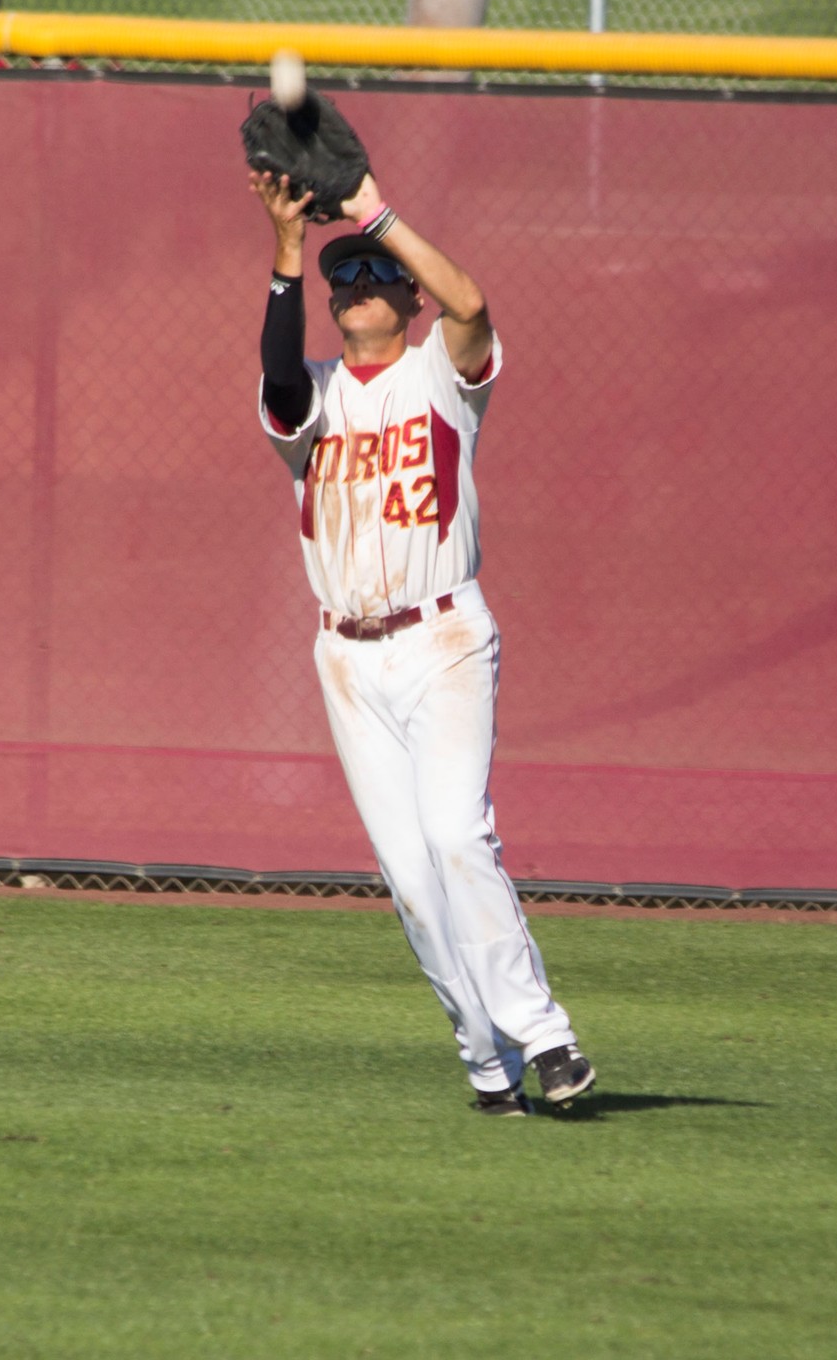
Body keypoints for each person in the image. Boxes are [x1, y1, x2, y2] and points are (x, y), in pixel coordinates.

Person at [249, 159, 595, 1116]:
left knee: (455, 836)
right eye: (342, 280)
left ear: (405, 295)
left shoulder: (443, 374)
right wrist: (287, 249)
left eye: (372, 276)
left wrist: (371, 212)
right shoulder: (313, 397)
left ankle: (548, 1037)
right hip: (349, 662)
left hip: (443, 638)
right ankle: (488, 1065)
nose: (356, 289)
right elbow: (278, 372)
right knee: (409, 878)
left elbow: (473, 301)